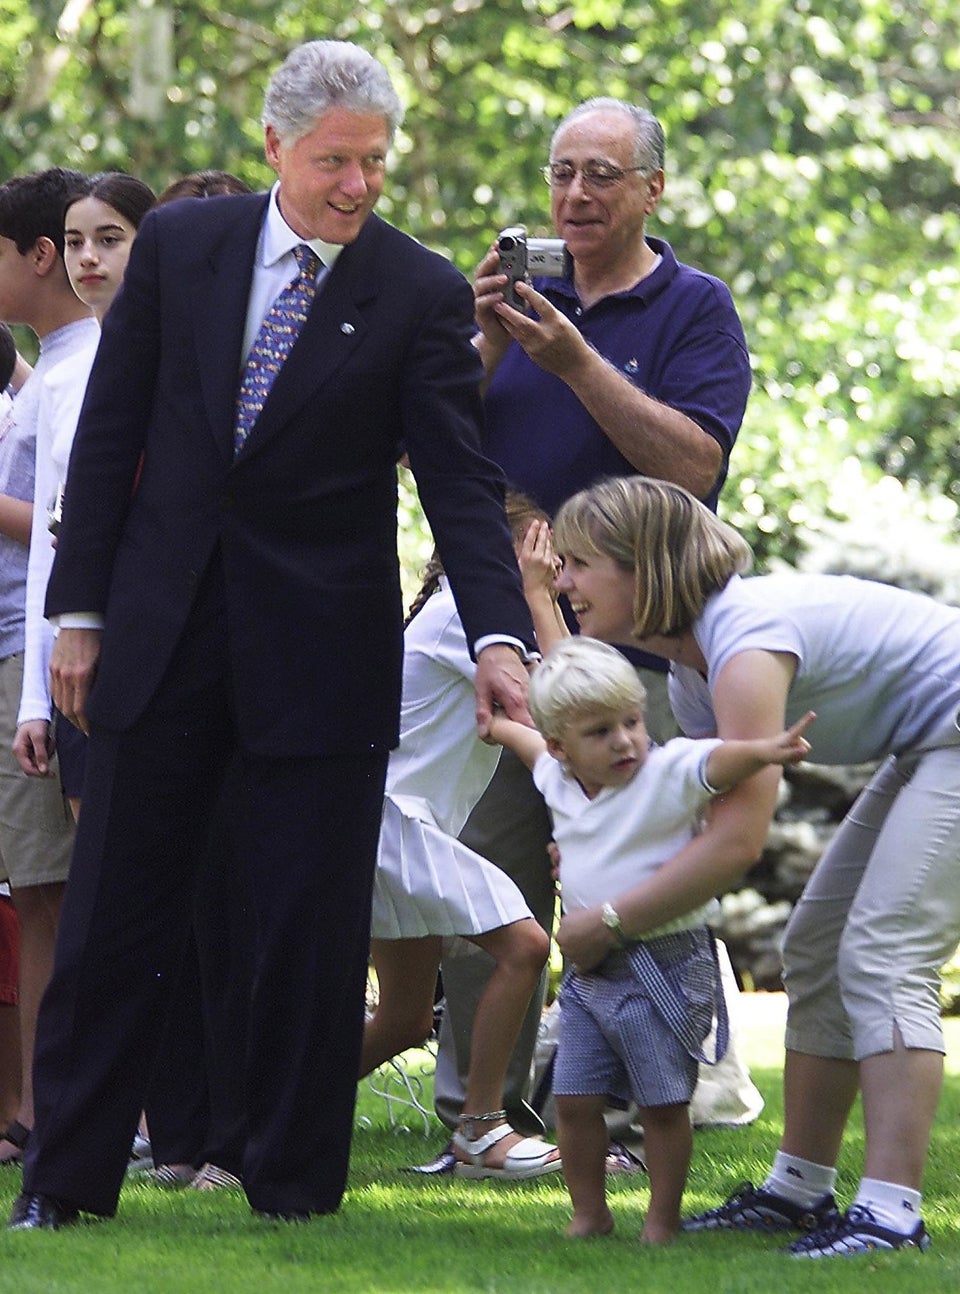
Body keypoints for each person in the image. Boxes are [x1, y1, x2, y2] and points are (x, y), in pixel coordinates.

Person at [8, 39, 537, 1232]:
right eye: (335, 160)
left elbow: (459, 482)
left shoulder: (416, 288)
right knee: (114, 916)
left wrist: (500, 636)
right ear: (274, 147)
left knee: (306, 926)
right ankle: (65, 1181)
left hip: (321, 652)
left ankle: (291, 1187)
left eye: (375, 162)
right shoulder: (182, 248)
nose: (358, 184)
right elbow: (110, 437)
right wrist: (78, 617)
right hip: (161, 635)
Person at [429, 95, 753, 1160]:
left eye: (602, 174)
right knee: (489, 872)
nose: (576, 194)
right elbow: (422, 454)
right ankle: (482, 1115)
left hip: (638, 641)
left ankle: (635, 1111)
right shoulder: (516, 304)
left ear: (653, 189)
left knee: (630, 877)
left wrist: (575, 362)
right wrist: (481, 344)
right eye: (562, 172)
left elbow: (693, 467)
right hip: (504, 632)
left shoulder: (693, 308)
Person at [549, 473, 960, 1258]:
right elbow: (686, 831)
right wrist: (598, 858)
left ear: (643, 565)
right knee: (816, 948)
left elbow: (736, 844)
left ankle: (891, 1214)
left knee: (886, 951)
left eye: (578, 563)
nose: (563, 581)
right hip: (932, 740)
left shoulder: (743, 646)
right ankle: (797, 1191)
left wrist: (609, 921)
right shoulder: (693, 676)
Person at [489, 637, 813, 1242]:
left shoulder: (663, 771)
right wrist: (499, 727)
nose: (626, 741)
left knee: (663, 1104)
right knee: (575, 1101)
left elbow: (714, 763)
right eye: (601, 732)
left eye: (632, 722)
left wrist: (768, 750)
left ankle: (661, 1219)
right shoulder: (557, 779)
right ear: (562, 747)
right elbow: (530, 745)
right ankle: (590, 1213)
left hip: (665, 963)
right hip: (590, 974)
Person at [361, 495, 562, 1179]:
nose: (560, 571)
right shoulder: (467, 619)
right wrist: (537, 596)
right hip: (394, 823)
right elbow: (572, 708)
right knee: (526, 945)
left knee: (405, 1019)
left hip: (397, 823)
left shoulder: (471, 619)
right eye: (546, 554)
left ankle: (260, 1118)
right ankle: (480, 1131)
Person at [0, 169, 94, 1167]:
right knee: (37, 887)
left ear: (37, 255)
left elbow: (72, 530)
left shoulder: (85, 365)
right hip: (25, 656)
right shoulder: (48, 368)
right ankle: (35, 1106)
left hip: (46, 651)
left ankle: (53, 1108)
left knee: (55, 889)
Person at [14, 172, 156, 818]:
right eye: (74, 242)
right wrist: (34, 703)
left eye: (109, 239)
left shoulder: (178, 366)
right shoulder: (63, 378)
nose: (88, 258)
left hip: (154, 634)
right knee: (93, 846)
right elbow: (51, 547)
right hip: (74, 655)